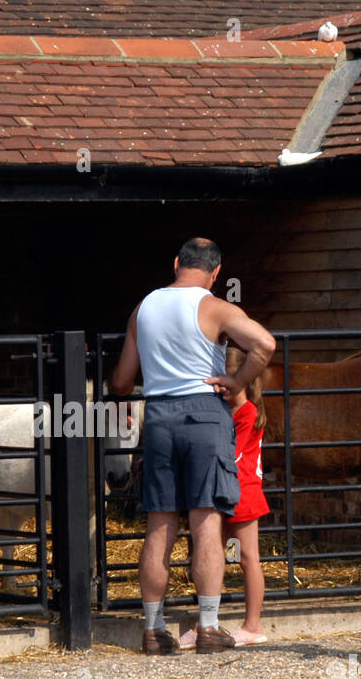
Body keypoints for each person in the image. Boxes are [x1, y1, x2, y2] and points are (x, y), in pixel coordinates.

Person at [109, 237, 276, 655]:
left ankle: (152, 628)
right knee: (206, 521)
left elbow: (121, 383)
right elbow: (265, 345)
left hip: (160, 416)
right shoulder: (216, 307)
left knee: (159, 524)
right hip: (205, 414)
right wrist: (237, 382)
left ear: (177, 262)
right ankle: (208, 626)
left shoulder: (143, 308)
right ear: (216, 272)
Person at [179, 346, 269, 649]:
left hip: (241, 491)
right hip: (224, 489)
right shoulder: (226, 410)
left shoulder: (248, 414)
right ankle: (207, 623)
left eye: (223, 383)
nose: (219, 389)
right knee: (212, 555)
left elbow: (232, 455)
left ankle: (253, 625)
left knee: (247, 559)